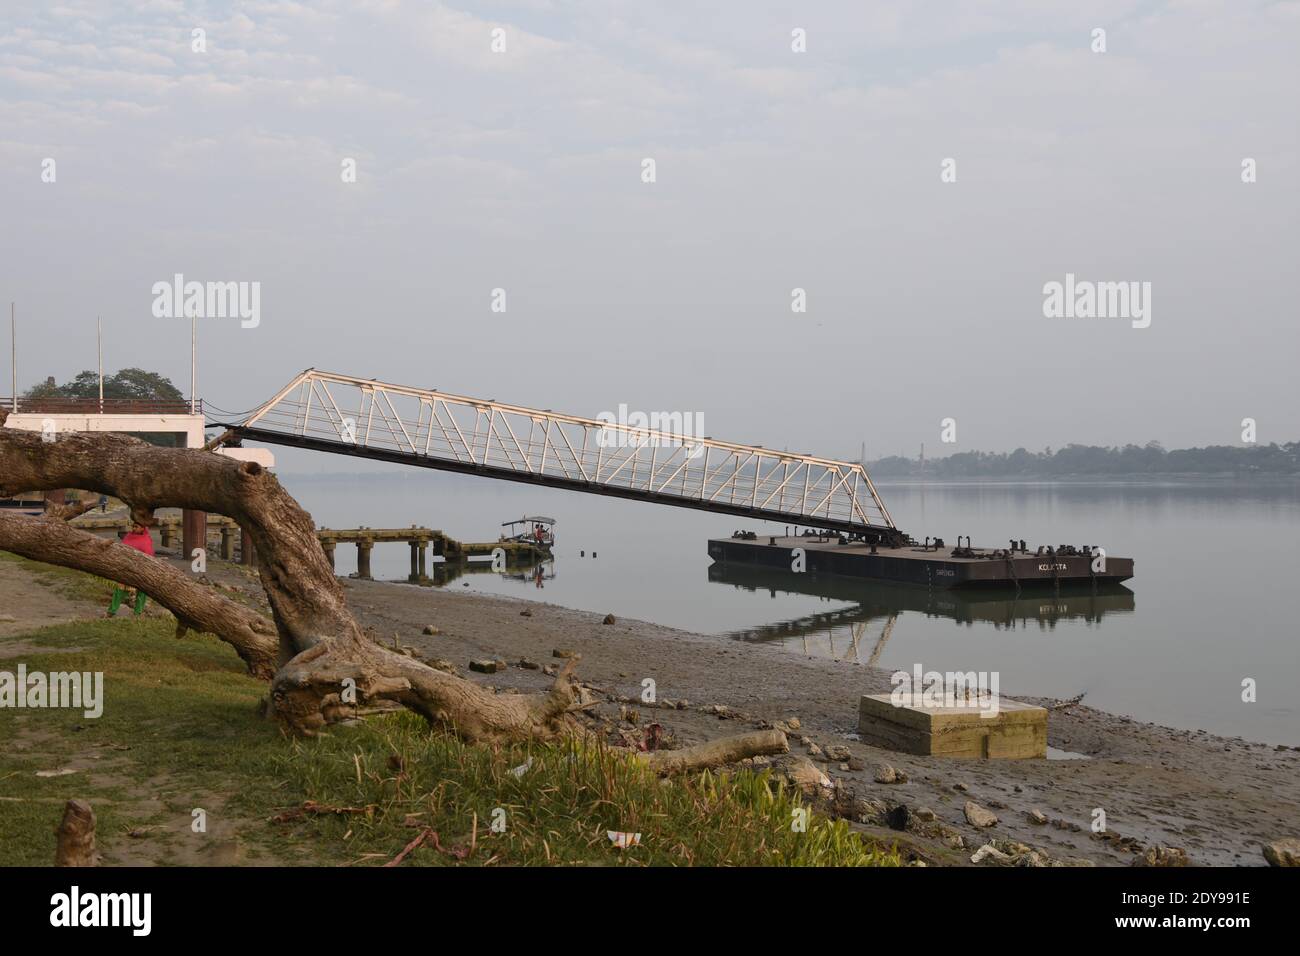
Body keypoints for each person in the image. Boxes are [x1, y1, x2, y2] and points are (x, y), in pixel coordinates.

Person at [107, 521, 155, 617]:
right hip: (127, 568)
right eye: (133, 526)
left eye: (136, 526)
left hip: (141, 570)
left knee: (142, 592)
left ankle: (138, 613)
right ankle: (111, 612)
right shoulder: (128, 537)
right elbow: (122, 550)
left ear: (142, 528)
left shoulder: (146, 539)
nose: (133, 528)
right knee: (119, 591)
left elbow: (149, 556)